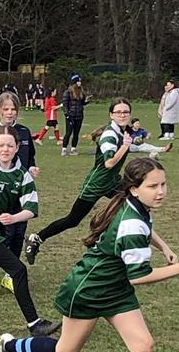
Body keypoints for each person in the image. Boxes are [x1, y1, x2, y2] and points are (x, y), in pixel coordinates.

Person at [0, 156, 179, 352]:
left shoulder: (135, 206)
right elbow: (137, 276)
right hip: (88, 291)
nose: (161, 191)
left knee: (143, 345)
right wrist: (178, 268)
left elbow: (145, 227)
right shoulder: (130, 223)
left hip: (114, 290)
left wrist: (164, 247)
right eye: (153, 186)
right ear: (135, 189)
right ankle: (10, 346)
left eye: (163, 184)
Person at [25, 98, 134, 264]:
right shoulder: (110, 135)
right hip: (96, 184)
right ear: (111, 115)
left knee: (132, 203)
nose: (122, 115)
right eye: (118, 112)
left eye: (125, 112)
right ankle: (37, 238)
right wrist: (125, 146)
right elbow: (109, 162)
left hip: (112, 181)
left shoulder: (123, 131)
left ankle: (110, 242)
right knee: (73, 220)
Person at [0, 129, 57, 334]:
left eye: (10, 145)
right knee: (18, 270)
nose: (5, 149)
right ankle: (35, 324)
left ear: (17, 148)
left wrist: (13, 218)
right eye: (1, 145)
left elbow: (31, 208)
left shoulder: (22, 176)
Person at [61, 76, 87, 155]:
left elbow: (82, 103)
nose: (80, 83)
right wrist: (67, 115)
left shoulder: (81, 91)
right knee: (68, 133)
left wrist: (87, 101)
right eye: (78, 82)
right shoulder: (68, 92)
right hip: (70, 115)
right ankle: (64, 148)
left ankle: (73, 148)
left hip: (79, 115)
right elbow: (65, 105)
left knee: (76, 133)